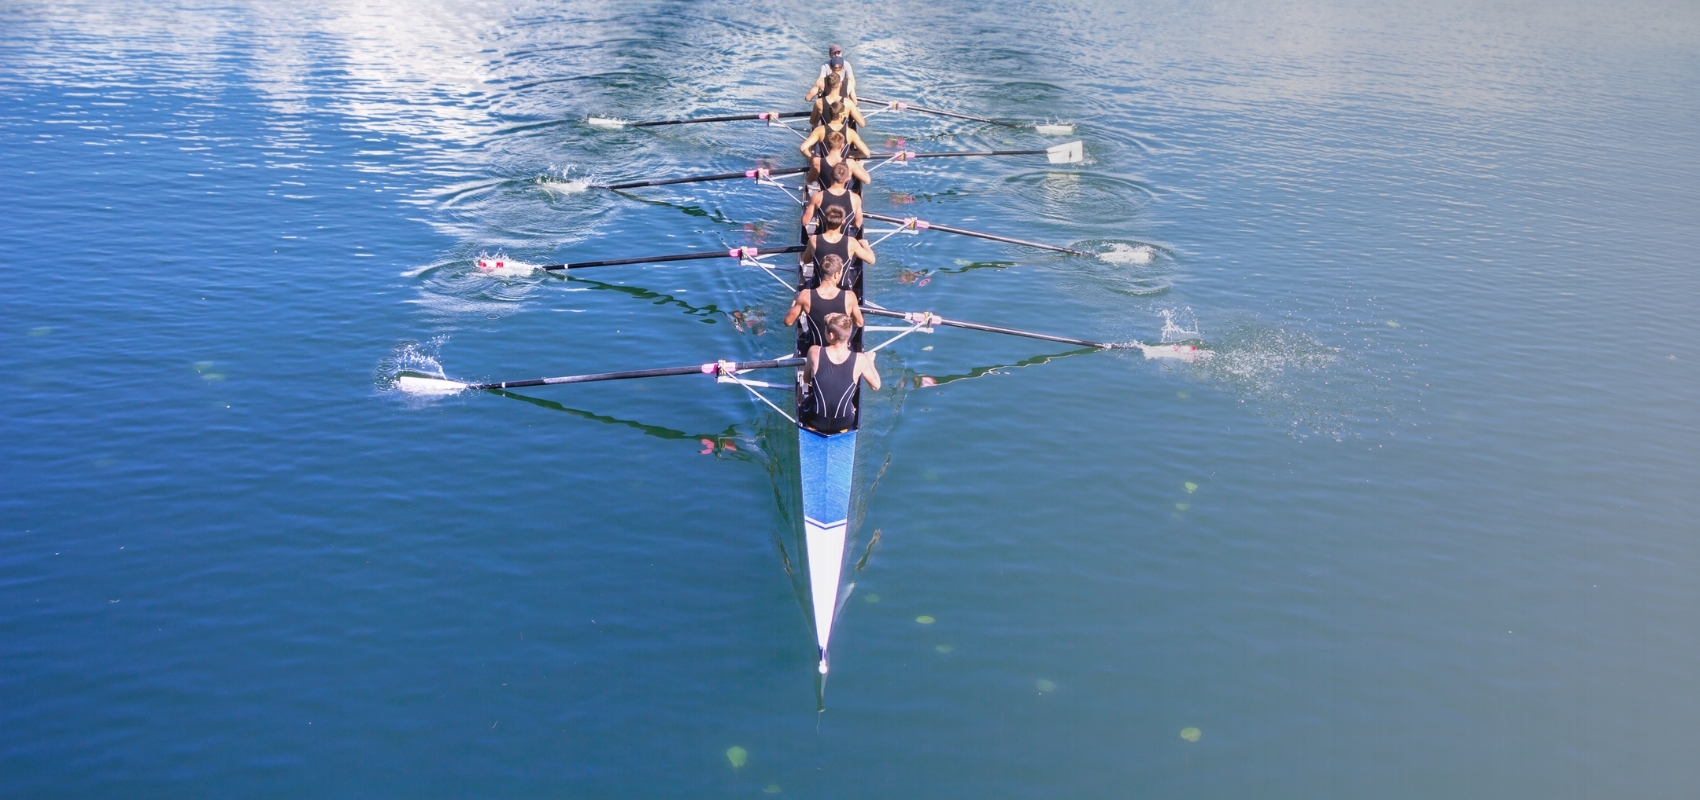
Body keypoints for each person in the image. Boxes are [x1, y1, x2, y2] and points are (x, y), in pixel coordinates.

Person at [801, 312, 879, 434]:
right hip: (844, 422)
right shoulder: (861, 359)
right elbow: (876, 386)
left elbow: (806, 380)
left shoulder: (814, 351)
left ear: (831, 335)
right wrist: (870, 362)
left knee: (810, 399)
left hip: (815, 420)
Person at [784, 253, 864, 352]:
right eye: (841, 272)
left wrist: (794, 303)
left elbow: (788, 322)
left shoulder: (805, 296)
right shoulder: (850, 296)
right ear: (836, 274)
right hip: (841, 352)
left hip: (815, 352)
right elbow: (859, 323)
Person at [800, 205, 875, 292]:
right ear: (843, 222)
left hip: (818, 286)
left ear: (824, 219)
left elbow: (805, 260)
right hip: (843, 288)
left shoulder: (814, 240)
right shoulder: (851, 242)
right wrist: (865, 245)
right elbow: (871, 260)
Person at [803, 160, 867, 239]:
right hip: (845, 243)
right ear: (847, 179)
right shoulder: (856, 198)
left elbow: (805, 222)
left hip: (821, 241)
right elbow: (858, 224)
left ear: (830, 175)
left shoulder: (817, 197)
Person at [798, 100, 870, 162]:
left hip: (825, 166)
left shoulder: (819, 130)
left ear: (830, 114)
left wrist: (814, 158)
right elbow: (866, 153)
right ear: (842, 115)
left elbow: (803, 148)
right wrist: (849, 154)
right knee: (859, 164)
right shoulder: (850, 133)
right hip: (842, 169)